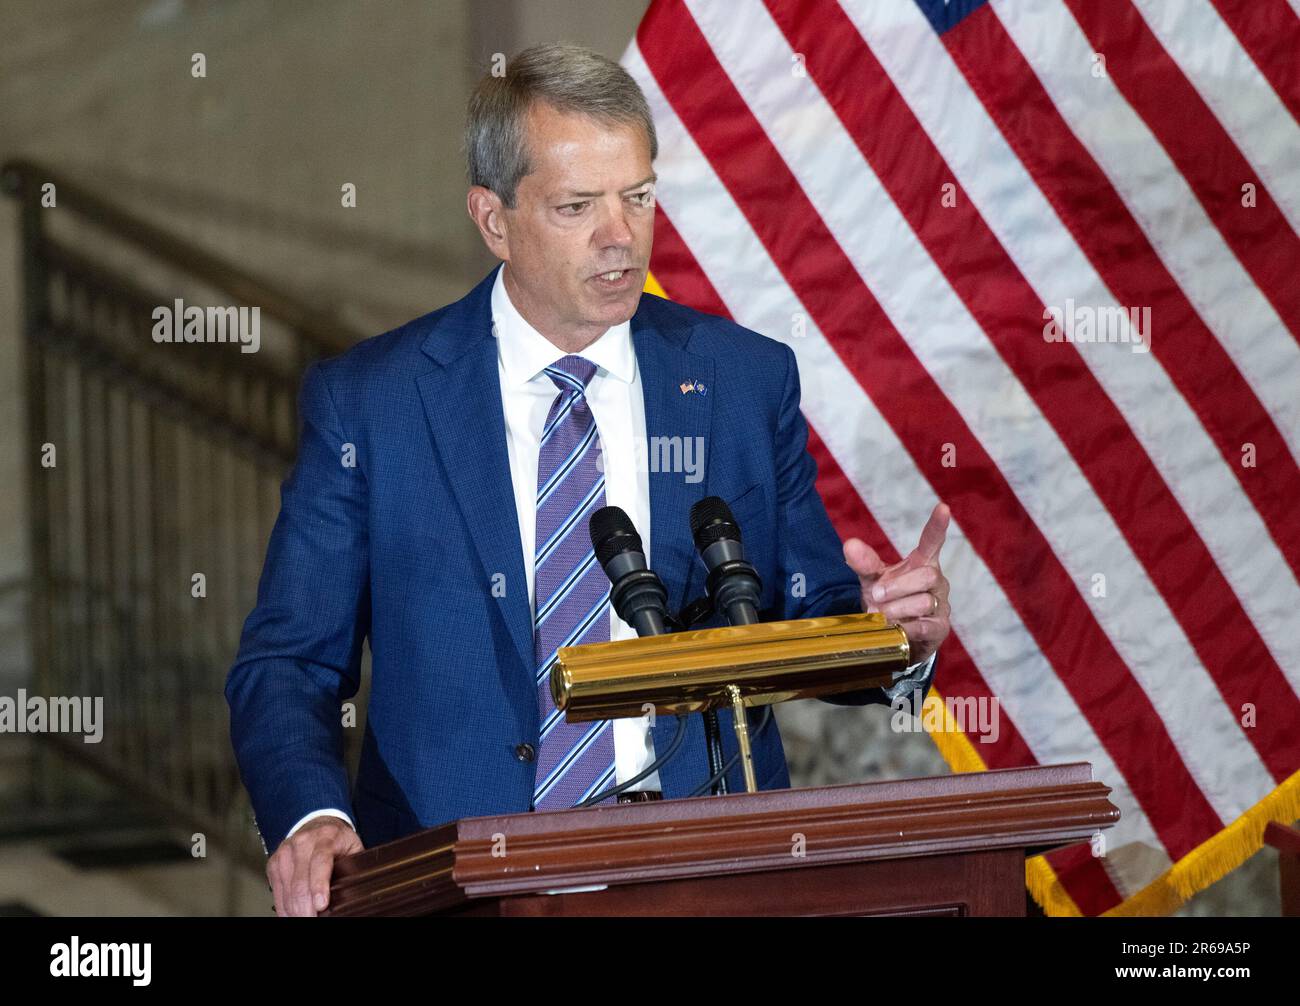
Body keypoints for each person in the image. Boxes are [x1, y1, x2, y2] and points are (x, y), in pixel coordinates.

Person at [226, 43, 952, 918]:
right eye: (578, 207)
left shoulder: (741, 382)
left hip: (704, 882)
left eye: (637, 198)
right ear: (492, 219)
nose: (621, 237)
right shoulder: (372, 405)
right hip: (456, 887)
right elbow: (289, 661)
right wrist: (311, 816)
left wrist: (887, 633)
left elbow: (808, 622)